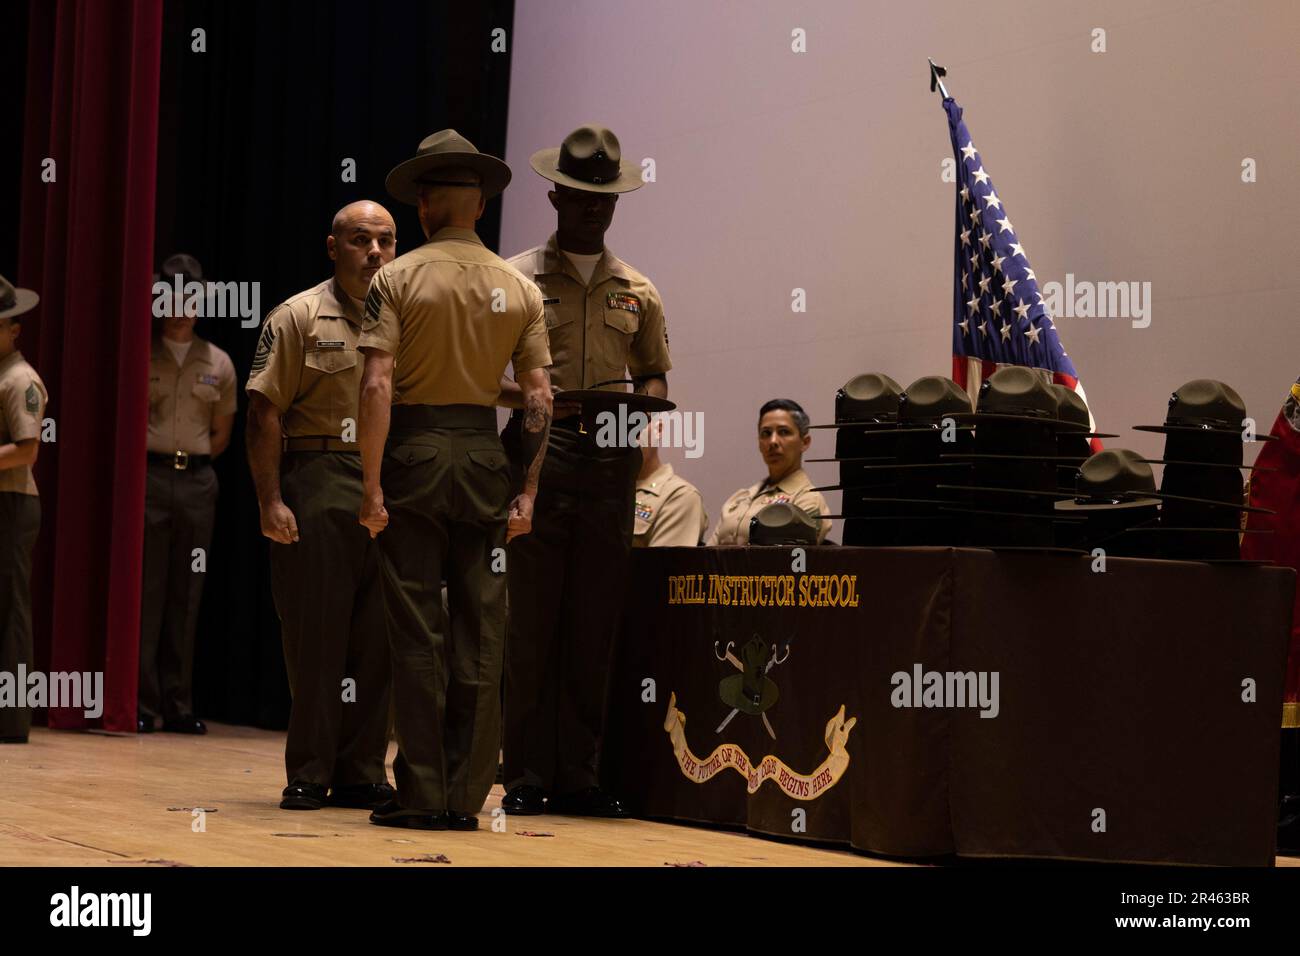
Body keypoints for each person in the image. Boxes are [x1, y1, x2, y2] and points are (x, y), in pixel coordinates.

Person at [356, 130, 553, 832]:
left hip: (411, 451)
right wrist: (525, 488)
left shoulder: (397, 278)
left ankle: (421, 791)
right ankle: (467, 796)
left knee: (416, 627)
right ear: (479, 204)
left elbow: (377, 384)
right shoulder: (520, 288)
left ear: (429, 203)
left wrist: (372, 483)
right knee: (483, 627)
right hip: (482, 458)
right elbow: (537, 399)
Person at [499, 124, 672, 817]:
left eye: (605, 196)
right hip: (541, 449)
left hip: (610, 457)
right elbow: (487, 377)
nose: (594, 207)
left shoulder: (638, 289)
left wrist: (639, 412)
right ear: (556, 195)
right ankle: (525, 774)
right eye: (580, 195)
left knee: (595, 617)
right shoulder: (514, 278)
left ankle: (580, 775)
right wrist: (542, 400)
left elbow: (655, 376)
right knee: (533, 617)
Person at [246, 201, 398, 811]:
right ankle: (309, 770)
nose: (375, 252)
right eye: (361, 240)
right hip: (317, 473)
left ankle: (362, 771)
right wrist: (270, 500)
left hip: (384, 479)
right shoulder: (299, 316)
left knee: (378, 638)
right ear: (333, 247)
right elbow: (263, 411)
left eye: (386, 241)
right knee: (317, 636)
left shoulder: (405, 317)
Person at [140, 254, 237, 735]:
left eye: (187, 298)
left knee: (187, 593)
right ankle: (141, 702)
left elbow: (222, 434)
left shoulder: (217, 362)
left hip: (197, 481)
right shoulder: (143, 355)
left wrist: (192, 464)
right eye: (169, 298)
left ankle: (179, 703)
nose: (179, 307)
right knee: (147, 590)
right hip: (149, 480)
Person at [0, 276, 47, 744]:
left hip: (13, 502)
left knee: (12, 609)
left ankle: (11, 721)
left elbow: (27, 449)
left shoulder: (20, 379)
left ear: (14, 329)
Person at [707, 399, 831, 546]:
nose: (773, 441)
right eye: (766, 433)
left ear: (804, 442)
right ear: (759, 442)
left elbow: (792, 562)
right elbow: (708, 556)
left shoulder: (808, 499)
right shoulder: (740, 498)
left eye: (784, 432)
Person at [634, 415, 706, 547]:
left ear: (658, 429)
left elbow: (662, 566)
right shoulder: (600, 489)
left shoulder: (680, 496)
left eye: (639, 421)